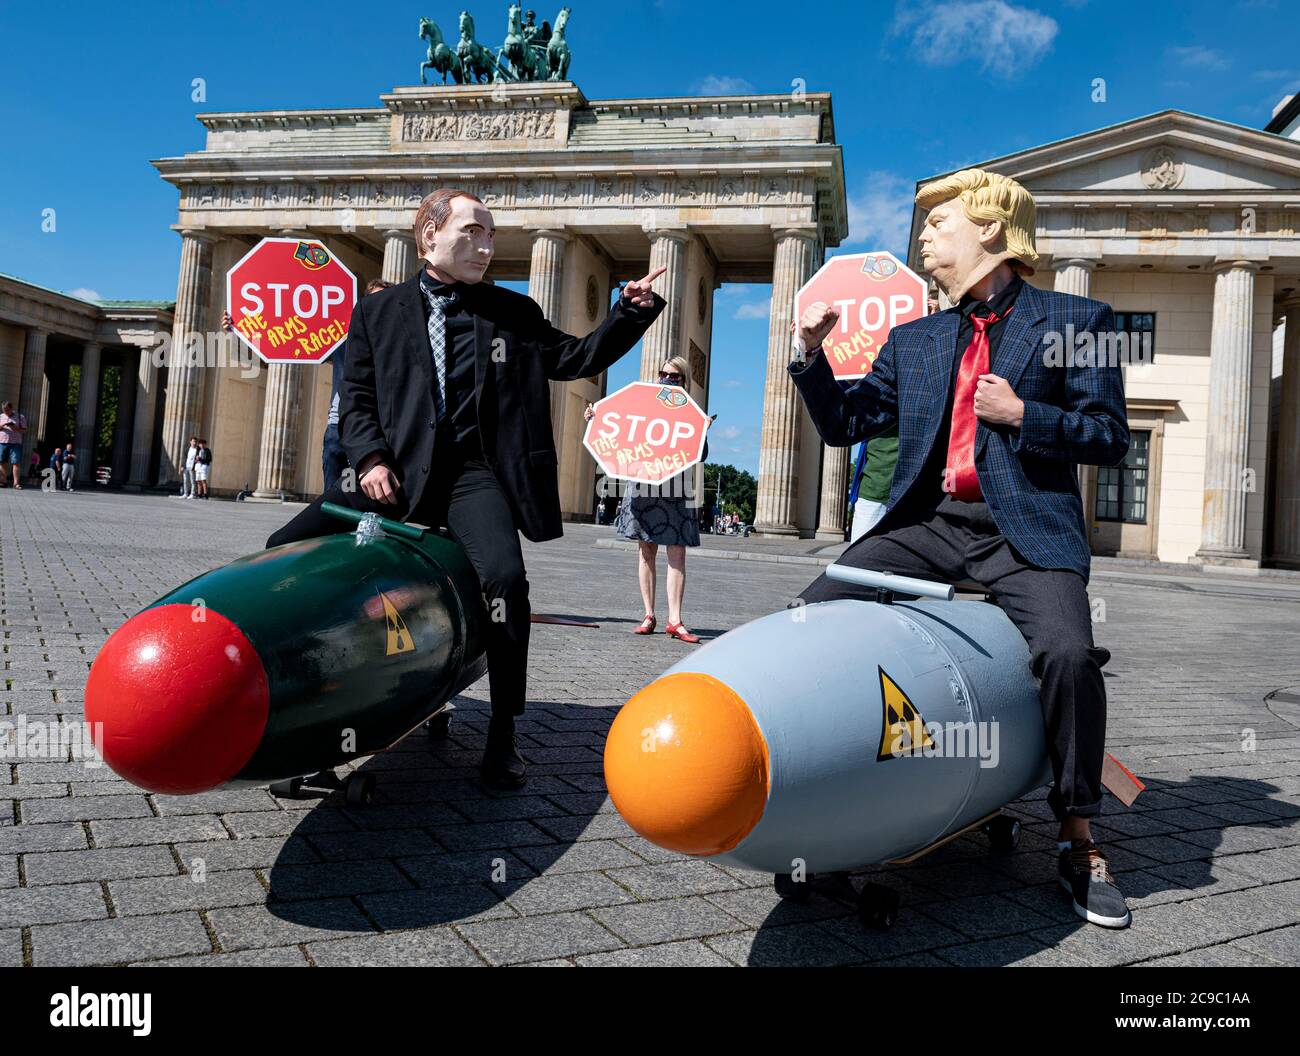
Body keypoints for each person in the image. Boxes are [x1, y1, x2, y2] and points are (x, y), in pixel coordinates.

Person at [788, 168, 1132, 929]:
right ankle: (829, 791)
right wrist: (811, 359)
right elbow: (849, 424)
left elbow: (1109, 438)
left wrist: (1024, 415)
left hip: (1024, 531)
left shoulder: (1081, 317)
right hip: (926, 524)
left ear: (990, 230)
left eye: (938, 226)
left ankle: (1078, 837)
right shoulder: (916, 338)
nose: (923, 239)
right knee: (807, 621)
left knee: (1070, 656)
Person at [264, 188, 666, 790]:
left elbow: (577, 358)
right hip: (390, 473)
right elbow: (358, 398)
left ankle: (503, 729)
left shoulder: (513, 311)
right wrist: (371, 458)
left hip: (473, 477)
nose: (485, 245)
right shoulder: (376, 312)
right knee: (282, 546)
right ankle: (298, 713)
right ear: (429, 235)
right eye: (472, 231)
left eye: (491, 234)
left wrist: (629, 311)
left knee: (505, 578)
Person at [589, 357, 715, 644]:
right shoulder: (640, 405)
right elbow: (617, 427)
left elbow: (702, 454)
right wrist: (595, 417)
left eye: (674, 376)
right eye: (664, 374)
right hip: (644, 484)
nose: (668, 380)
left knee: (677, 553)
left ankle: (675, 619)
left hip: (676, 486)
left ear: (684, 380)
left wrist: (702, 430)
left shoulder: (692, 413)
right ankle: (648, 614)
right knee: (646, 551)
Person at [323, 279, 393, 492]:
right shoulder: (343, 338)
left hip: (379, 429)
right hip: (339, 426)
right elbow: (294, 346)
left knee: (372, 494)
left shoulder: (398, 342)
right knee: (334, 492)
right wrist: (242, 328)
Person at [0, 402, 27, 490]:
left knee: (16, 462)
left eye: (7, 410)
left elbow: (24, 430)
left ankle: (16, 483)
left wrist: (16, 428)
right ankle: (3, 481)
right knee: (2, 462)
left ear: (11, 408)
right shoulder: (1, 416)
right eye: (4, 410)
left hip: (15, 443)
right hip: (2, 442)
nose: (5, 412)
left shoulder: (20, 417)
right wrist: (2, 426)